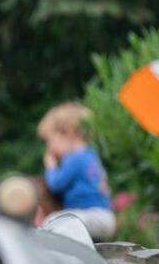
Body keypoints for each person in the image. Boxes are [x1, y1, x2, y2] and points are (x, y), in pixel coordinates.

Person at [37, 102, 115, 240]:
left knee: (53, 221)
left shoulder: (74, 158)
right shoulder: (90, 155)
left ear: (68, 133)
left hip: (90, 216)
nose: (49, 148)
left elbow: (56, 184)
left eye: (50, 140)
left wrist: (51, 167)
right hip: (104, 217)